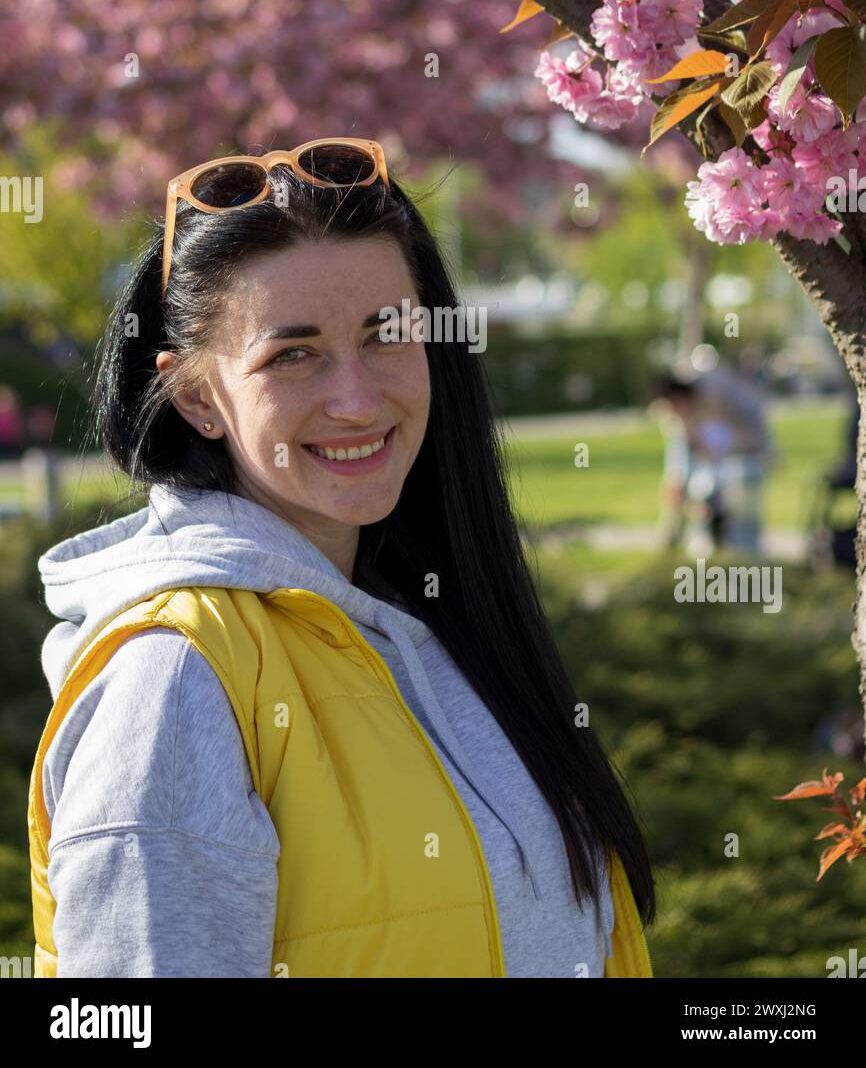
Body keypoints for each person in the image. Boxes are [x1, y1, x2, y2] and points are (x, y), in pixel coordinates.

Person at [28, 139, 654, 979]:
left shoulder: (436, 626)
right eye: (293, 354)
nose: (358, 399)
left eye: (385, 335)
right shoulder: (175, 679)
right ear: (197, 397)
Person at [653, 361, 774, 554]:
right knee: (703, 497)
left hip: (744, 454)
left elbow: (752, 418)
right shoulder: (677, 415)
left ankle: (746, 555)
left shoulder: (716, 388)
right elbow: (679, 464)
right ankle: (697, 539)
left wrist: (766, 449)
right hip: (713, 462)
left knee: (742, 511)